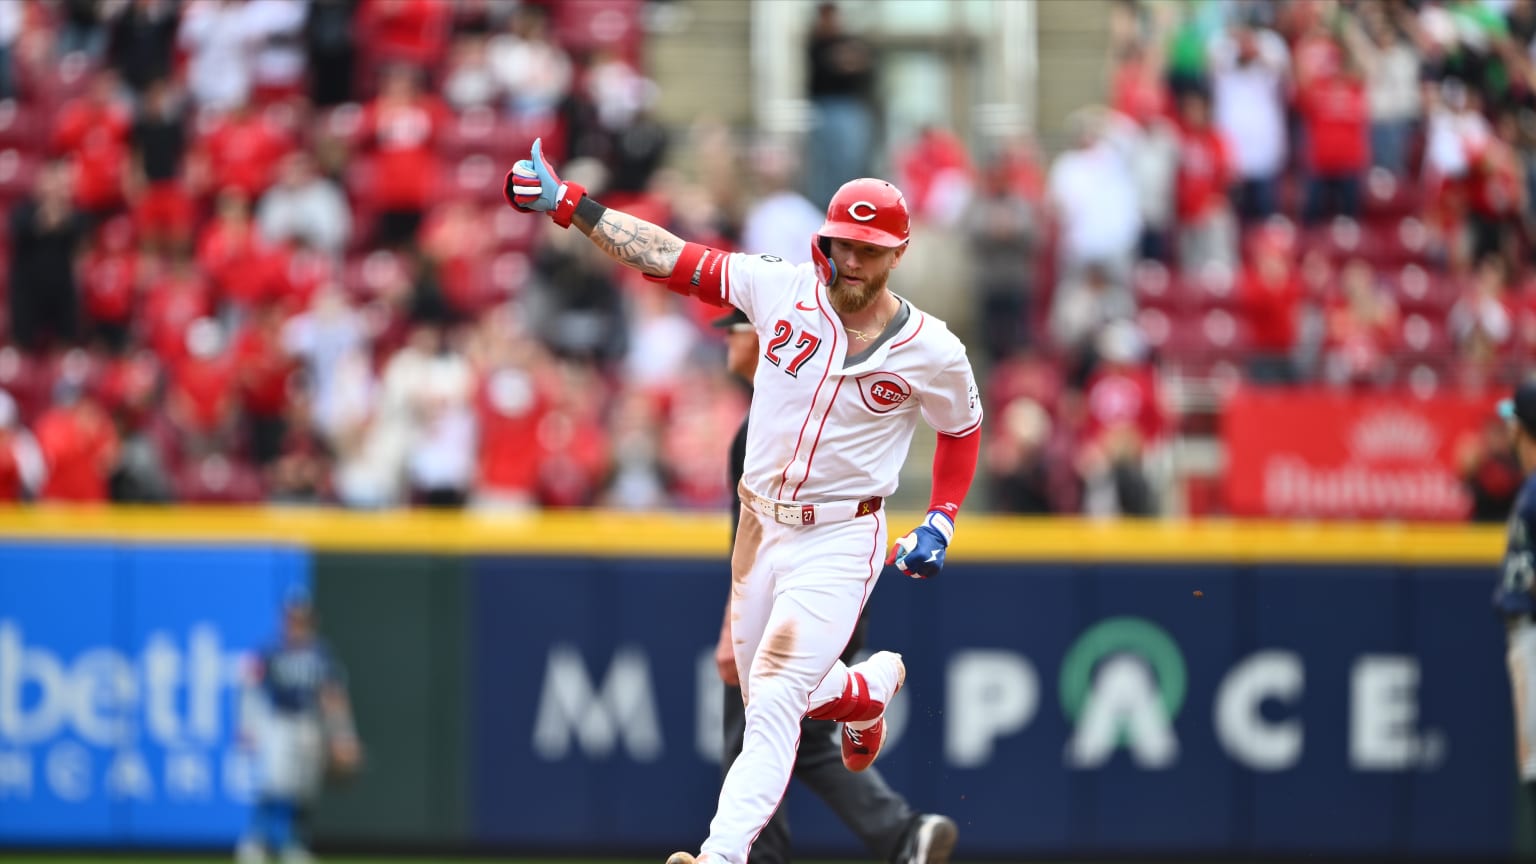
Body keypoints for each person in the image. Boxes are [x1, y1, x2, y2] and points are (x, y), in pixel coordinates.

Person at [505, 138, 981, 864]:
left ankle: (722, 854)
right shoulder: (779, 288)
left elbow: (962, 429)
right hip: (760, 528)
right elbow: (669, 257)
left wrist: (941, 517)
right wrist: (572, 205)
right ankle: (863, 690)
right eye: (844, 245)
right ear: (825, 240)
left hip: (840, 534)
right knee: (777, 692)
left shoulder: (933, 349)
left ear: (898, 253)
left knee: (776, 695)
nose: (854, 261)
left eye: (870, 250)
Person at [713, 305, 958, 864]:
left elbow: (755, 540)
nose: (727, 340)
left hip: (801, 594)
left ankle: (744, 856)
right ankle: (901, 830)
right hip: (819, 590)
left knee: (760, 720)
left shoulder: (773, 423)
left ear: (765, 335)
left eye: (736, 329)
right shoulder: (786, 410)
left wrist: (732, 625)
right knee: (794, 726)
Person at [237, 587, 361, 864]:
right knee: (273, 782)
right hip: (280, 722)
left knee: (304, 789)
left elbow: (333, 696)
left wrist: (343, 735)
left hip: (310, 724)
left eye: (302, 618)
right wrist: (247, 726)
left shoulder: (321, 653)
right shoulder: (271, 649)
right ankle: (256, 840)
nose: (296, 623)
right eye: (292, 617)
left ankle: (295, 843)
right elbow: (249, 687)